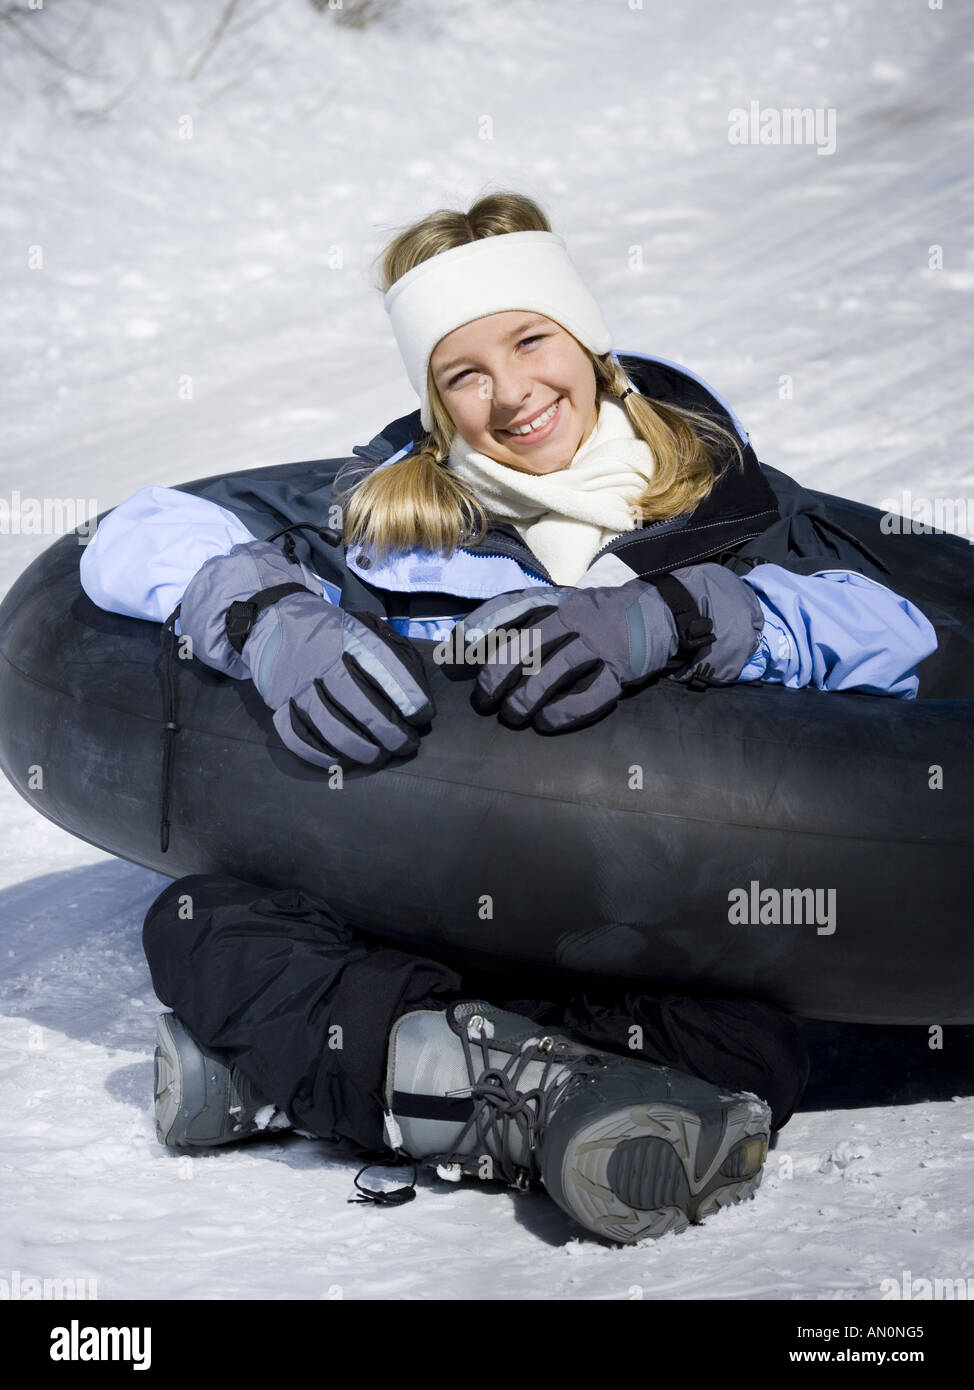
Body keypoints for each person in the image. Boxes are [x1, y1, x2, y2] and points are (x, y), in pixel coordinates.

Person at [80, 190, 937, 1246]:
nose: (510, 393)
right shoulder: (392, 523)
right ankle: (545, 1100)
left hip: (647, 923)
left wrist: (673, 611)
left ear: (584, 340)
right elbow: (134, 530)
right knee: (201, 926)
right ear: (436, 402)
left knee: (750, 1033)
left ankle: (342, 1073)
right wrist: (261, 611)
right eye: (463, 374)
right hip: (422, 901)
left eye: (529, 340)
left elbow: (895, 636)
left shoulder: (716, 498)